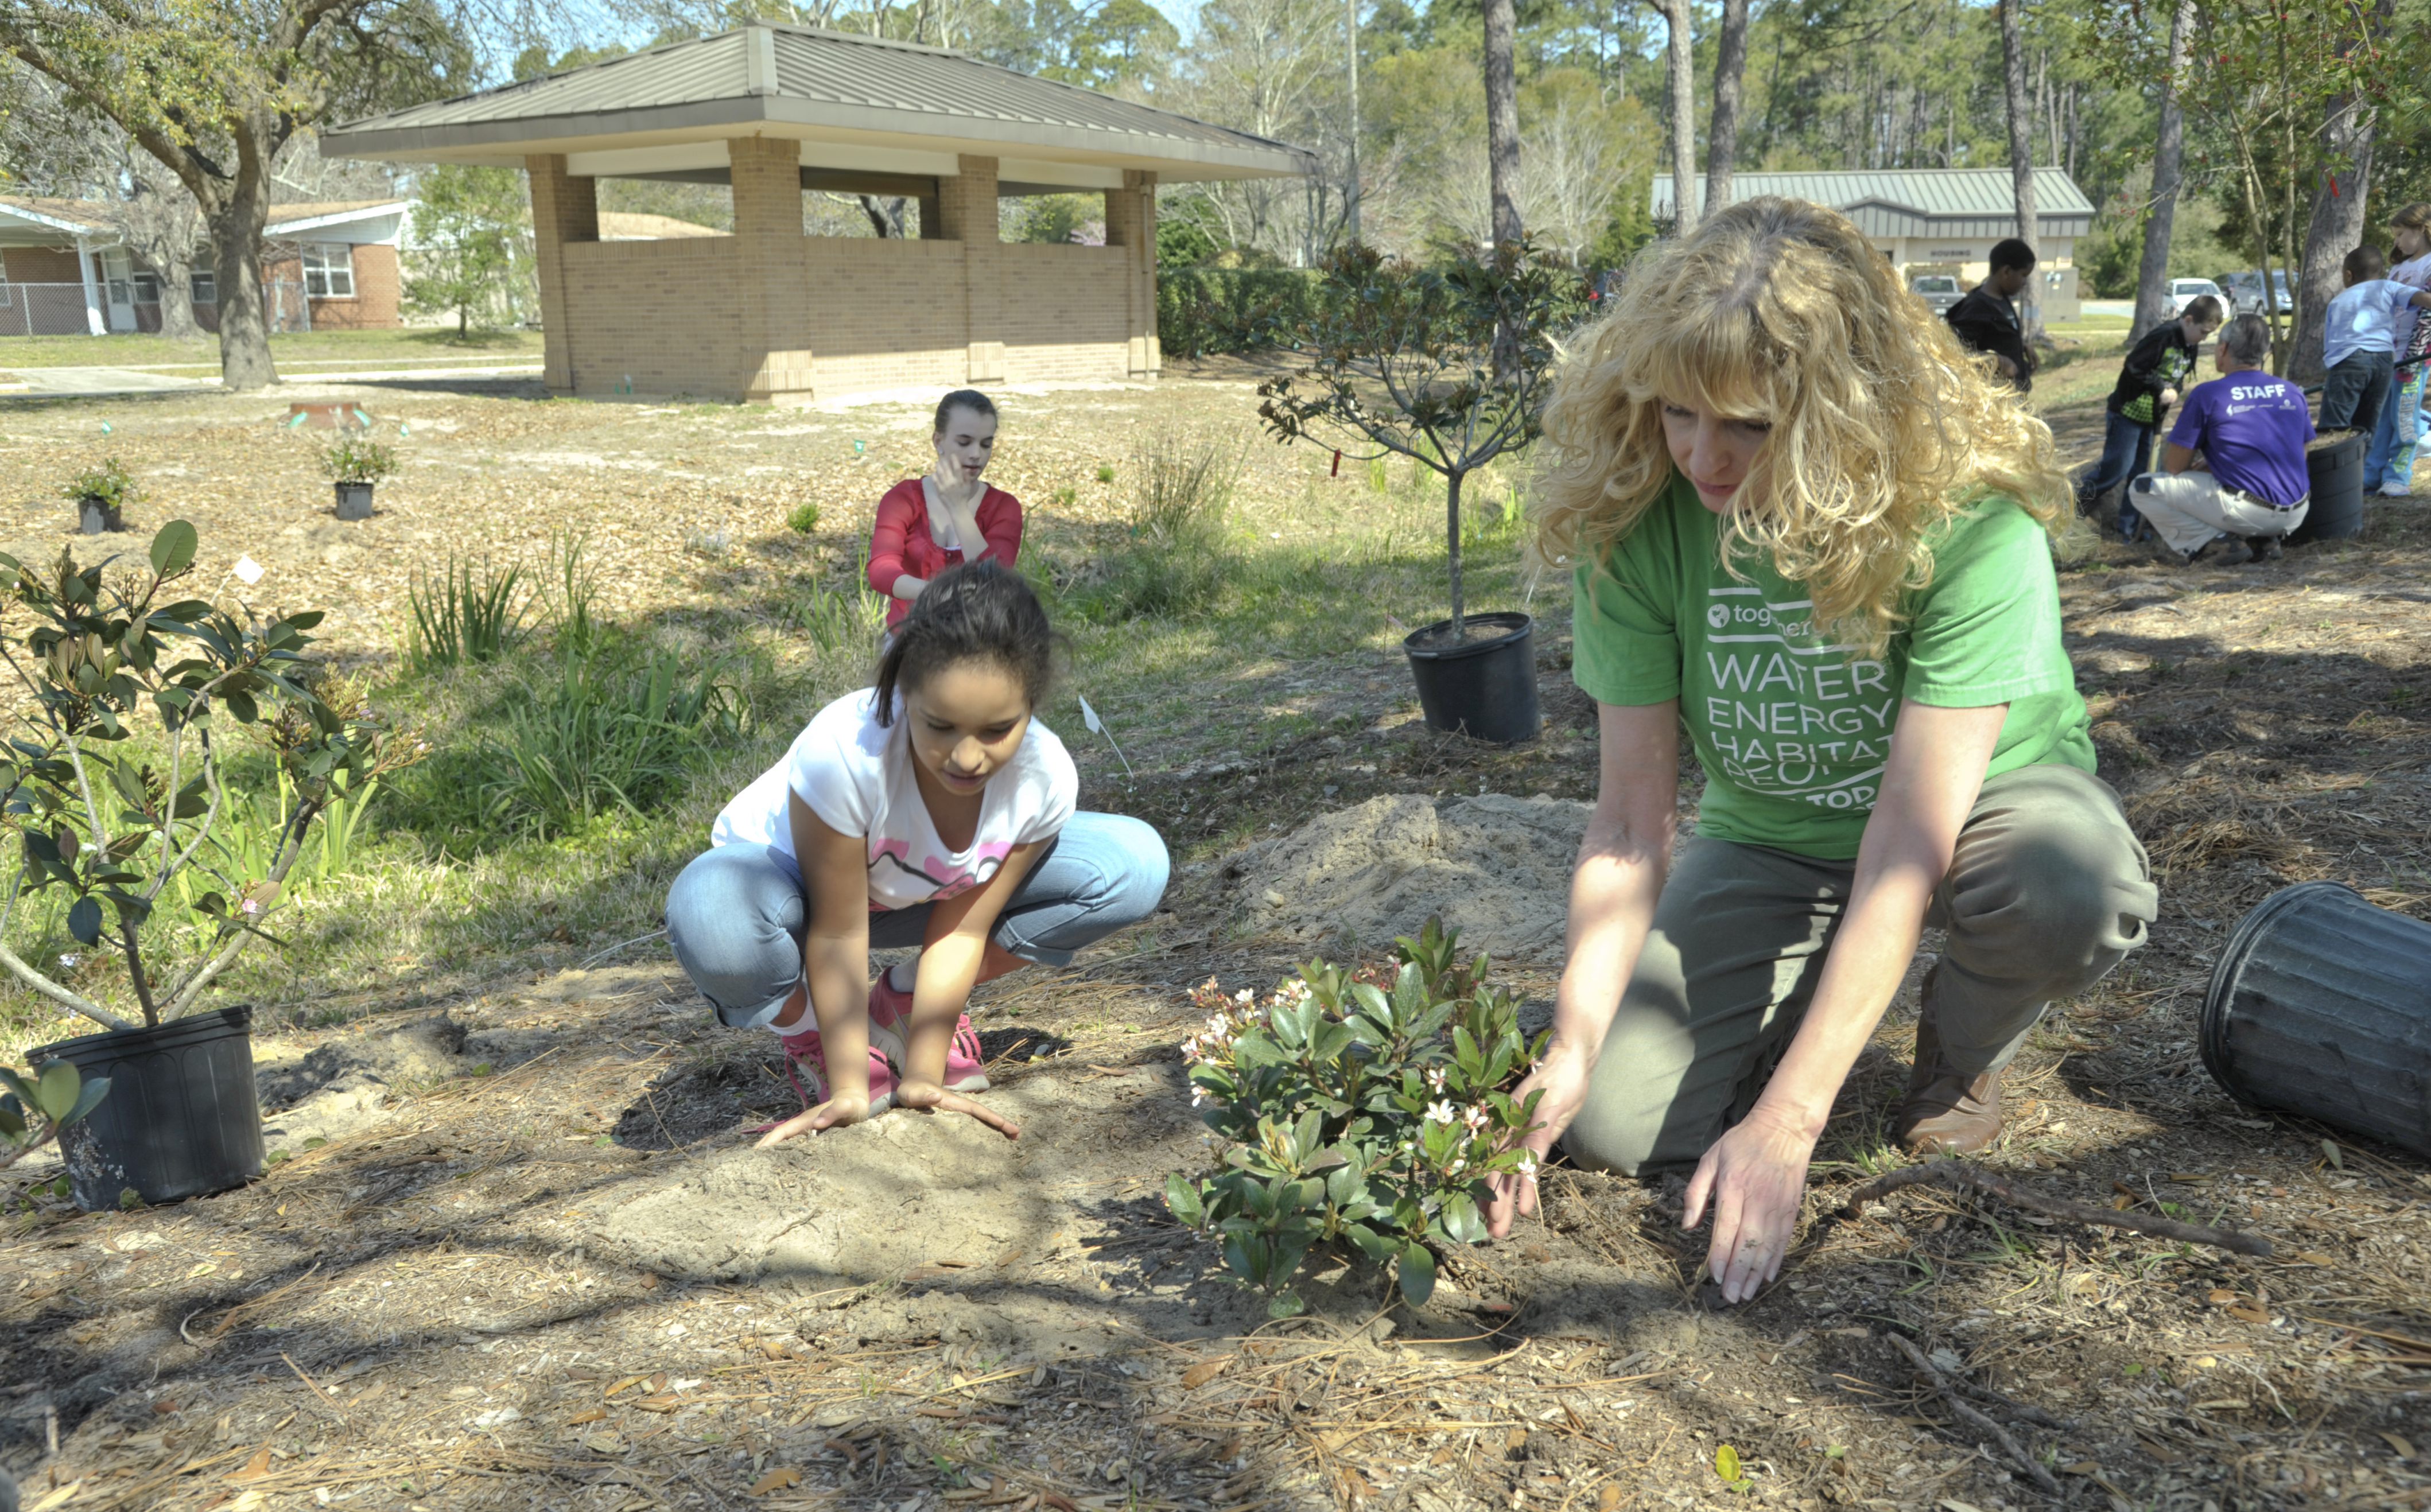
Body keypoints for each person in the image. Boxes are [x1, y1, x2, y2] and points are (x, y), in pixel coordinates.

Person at [1491, 197, 2158, 1304]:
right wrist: (1569, 1039)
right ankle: (1777, 1001)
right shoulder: (1636, 523)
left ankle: (1958, 1051)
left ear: (1840, 410)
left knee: (2063, 891)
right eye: (1677, 412)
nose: (1703, 457)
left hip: (1982, 813)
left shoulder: (1969, 524)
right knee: (1607, 1122)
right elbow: (1624, 825)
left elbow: (1908, 839)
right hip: (1776, 838)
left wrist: (1791, 1122)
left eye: (1750, 424)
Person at [664, 562, 1169, 1144]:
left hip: (919, 893)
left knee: (1135, 863)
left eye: (998, 729)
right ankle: (815, 1036)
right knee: (711, 910)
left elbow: (962, 931)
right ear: (906, 693)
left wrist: (926, 1077)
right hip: (793, 896)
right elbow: (837, 933)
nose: (967, 757)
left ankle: (902, 1004)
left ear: (1031, 706)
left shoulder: (1044, 776)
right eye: (940, 725)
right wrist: (854, 1087)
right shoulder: (846, 756)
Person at [2125, 315, 2317, 565]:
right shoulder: (2292, 391)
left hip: (2248, 511)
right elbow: (2299, 454)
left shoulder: (2208, 394)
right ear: (2265, 352)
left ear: (2223, 348)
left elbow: (2174, 467)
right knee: (2228, 485)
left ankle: (2215, 543)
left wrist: (2204, 465)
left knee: (2143, 487)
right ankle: (2264, 541)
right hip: (2297, 511)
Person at [869, 391, 1024, 631]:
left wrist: (958, 509)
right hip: (910, 634)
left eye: (986, 444)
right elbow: (881, 570)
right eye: (964, 442)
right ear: (938, 441)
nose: (976, 454)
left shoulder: (1004, 507)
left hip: (978, 638)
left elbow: (996, 579)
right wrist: (938, 593)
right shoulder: (903, 499)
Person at [2077, 296, 2223, 536]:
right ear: (2188, 320)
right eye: (2204, 332)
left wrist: (2174, 390)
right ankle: (2069, 509)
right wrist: (2160, 389)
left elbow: (2178, 378)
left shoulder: (2190, 345)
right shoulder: (2164, 335)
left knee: (2141, 474)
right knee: (2116, 469)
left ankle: (2130, 529)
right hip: (2126, 413)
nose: (2205, 338)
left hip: (2151, 419)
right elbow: (2134, 366)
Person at [2321, 246, 2431, 435]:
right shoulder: (2389, 286)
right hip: (2384, 361)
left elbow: (2331, 344)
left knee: (2334, 423)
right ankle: (2362, 461)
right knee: (2368, 423)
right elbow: (2422, 298)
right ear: (2381, 271)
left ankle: (2336, 462)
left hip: (2349, 360)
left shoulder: (2337, 302)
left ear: (2348, 275)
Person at [2367, 203, 2431, 498]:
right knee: (2380, 415)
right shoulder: (2397, 269)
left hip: (2413, 357)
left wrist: (2417, 354)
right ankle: (2372, 473)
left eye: (2401, 234)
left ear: (2421, 229)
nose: (2396, 242)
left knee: (2403, 416)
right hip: (2385, 356)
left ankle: (2398, 475)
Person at [1943, 238, 2037, 392]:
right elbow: (1954, 354)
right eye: (2024, 275)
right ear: (2006, 272)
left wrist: (2023, 347)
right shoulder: (1976, 307)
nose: (2025, 282)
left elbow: (1999, 336)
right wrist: (1997, 362)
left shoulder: (2001, 299)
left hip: (2013, 399)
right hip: (1990, 405)